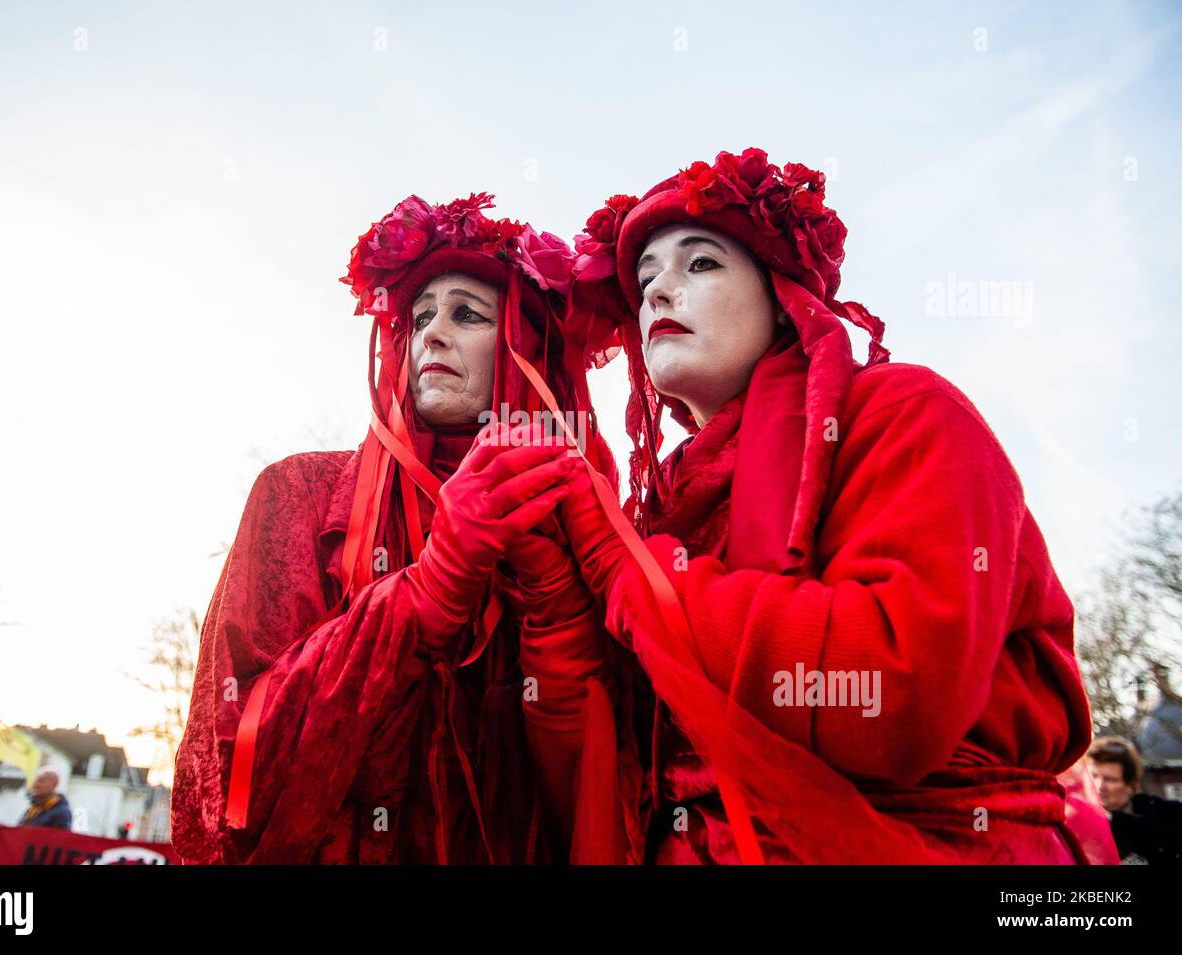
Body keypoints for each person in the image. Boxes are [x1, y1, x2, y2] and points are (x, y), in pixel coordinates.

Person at [506, 147, 1096, 863]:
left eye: (700, 264)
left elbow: (893, 696)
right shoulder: (659, 501)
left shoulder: (907, 411)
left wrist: (638, 576)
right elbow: (616, 743)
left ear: (785, 295)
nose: (658, 293)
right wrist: (549, 584)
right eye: (645, 277)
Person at [171, 193, 632, 864]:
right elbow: (228, 778)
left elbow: (597, 814)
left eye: (467, 313)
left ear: (529, 347)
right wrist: (424, 597)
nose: (432, 333)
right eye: (420, 316)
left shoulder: (577, 521)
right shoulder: (298, 494)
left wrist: (559, 613)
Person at [1089, 735, 1182, 864]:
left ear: (1130, 785)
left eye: (1110, 779)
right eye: (1093, 777)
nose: (1099, 786)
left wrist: (1112, 819)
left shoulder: (1167, 813)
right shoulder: (1077, 820)